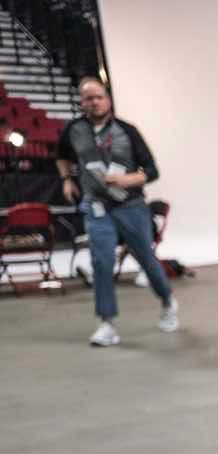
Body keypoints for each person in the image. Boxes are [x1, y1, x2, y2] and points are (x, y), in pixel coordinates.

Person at [54, 76, 178, 348]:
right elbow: (61, 155)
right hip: (97, 207)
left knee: (146, 258)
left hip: (131, 206)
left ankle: (168, 301)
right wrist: (66, 179)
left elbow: (152, 171)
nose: (95, 102)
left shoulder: (127, 131)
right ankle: (106, 323)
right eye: (89, 98)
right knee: (101, 263)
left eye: (99, 96)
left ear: (107, 99)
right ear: (82, 102)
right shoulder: (73, 130)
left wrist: (128, 180)